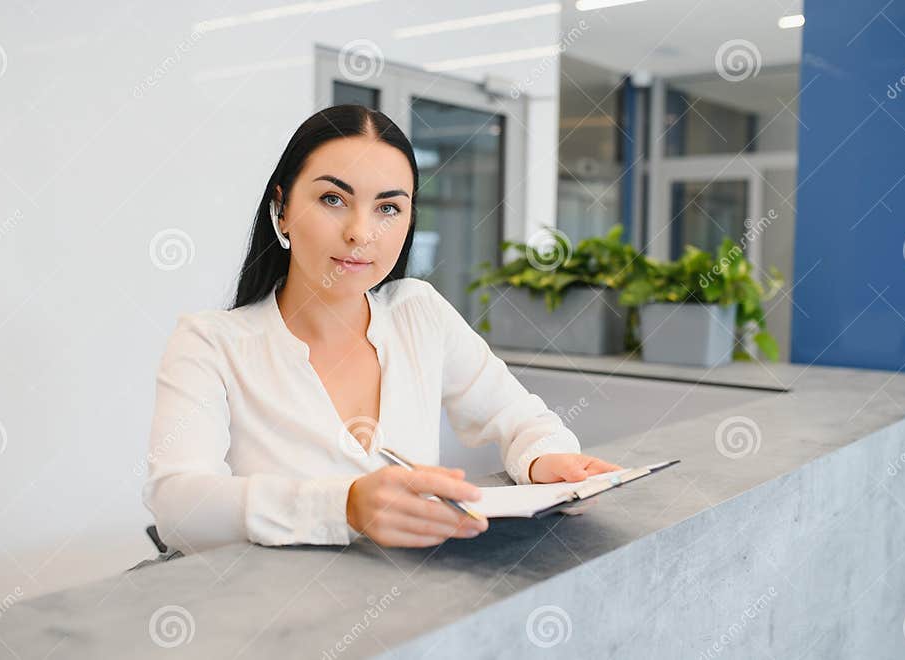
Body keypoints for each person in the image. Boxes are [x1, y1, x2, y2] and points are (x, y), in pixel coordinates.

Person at [140, 104, 623, 555]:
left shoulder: (418, 312)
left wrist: (544, 459)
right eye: (333, 199)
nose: (360, 232)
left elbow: (522, 419)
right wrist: (345, 506)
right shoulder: (211, 343)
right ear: (282, 209)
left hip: (413, 602)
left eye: (388, 208)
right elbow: (179, 507)